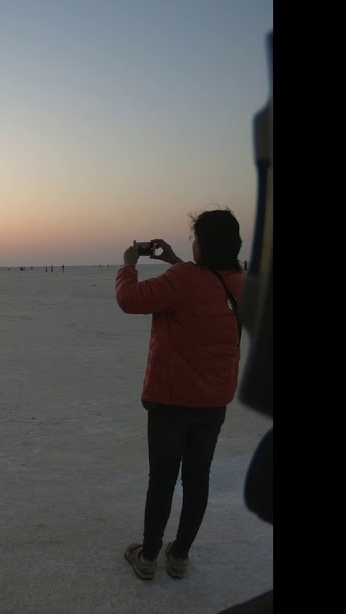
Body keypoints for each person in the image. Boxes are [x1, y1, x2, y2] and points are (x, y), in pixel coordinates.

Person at [115, 208, 244, 581]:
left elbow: (131, 300)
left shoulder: (184, 279)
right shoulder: (238, 280)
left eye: (196, 239)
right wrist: (174, 260)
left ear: (203, 243)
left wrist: (128, 264)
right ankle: (180, 555)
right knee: (197, 479)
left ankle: (148, 555)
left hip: (172, 400)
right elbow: (205, 285)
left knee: (163, 479)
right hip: (213, 401)